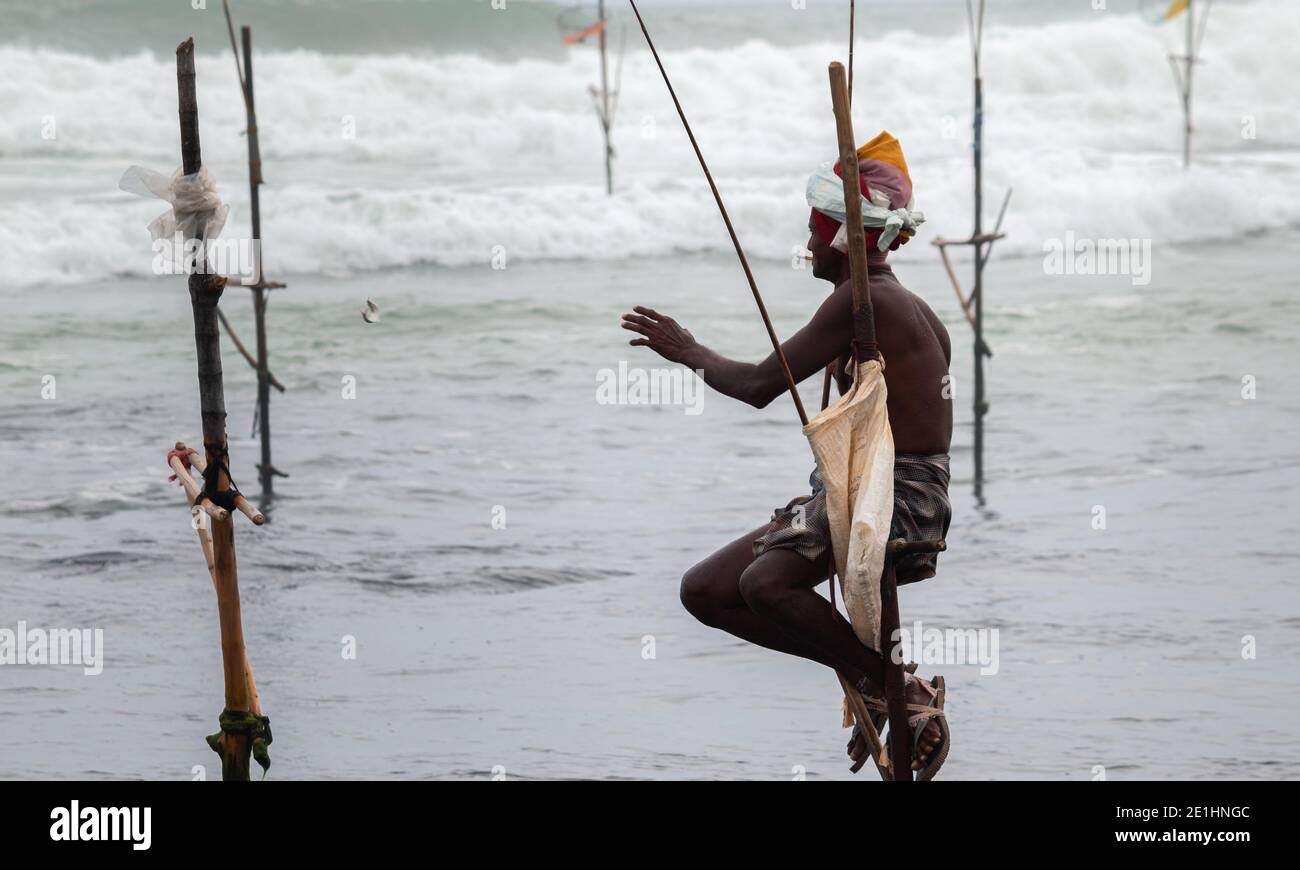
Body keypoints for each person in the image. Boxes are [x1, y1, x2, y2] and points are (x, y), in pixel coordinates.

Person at [620, 133, 952, 773]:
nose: (805, 246)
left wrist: (686, 350)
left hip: (899, 501)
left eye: (812, 231)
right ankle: (882, 684)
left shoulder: (873, 302)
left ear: (842, 238)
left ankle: (893, 688)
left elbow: (755, 386)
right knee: (706, 591)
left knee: (763, 584)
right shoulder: (880, 304)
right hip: (864, 491)